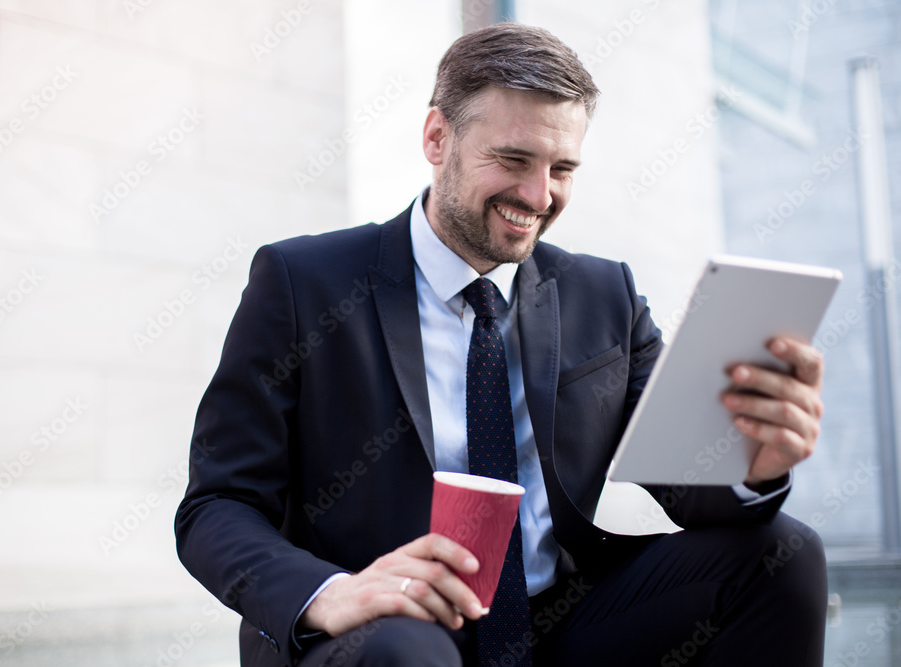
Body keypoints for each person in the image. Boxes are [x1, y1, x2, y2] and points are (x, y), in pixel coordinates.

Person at [175, 23, 827, 667]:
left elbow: (684, 487)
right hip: (384, 625)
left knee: (786, 552)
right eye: (513, 160)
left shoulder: (605, 294)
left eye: (562, 169)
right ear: (437, 138)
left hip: (563, 621)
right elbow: (216, 505)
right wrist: (330, 592)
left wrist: (753, 464)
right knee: (407, 650)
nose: (539, 197)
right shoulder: (303, 283)